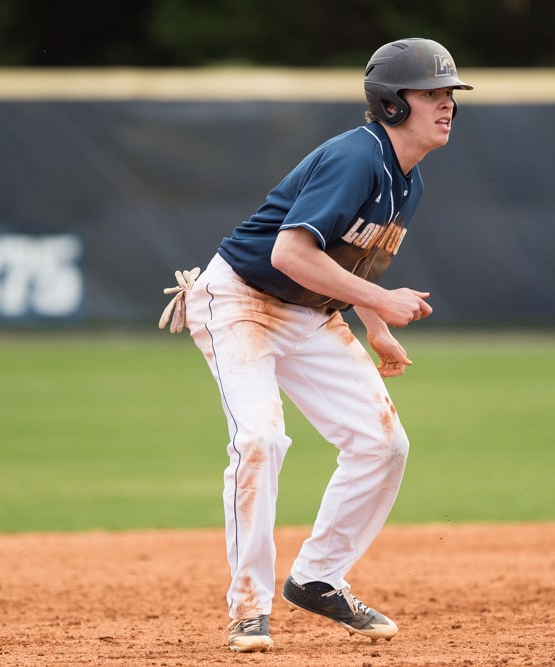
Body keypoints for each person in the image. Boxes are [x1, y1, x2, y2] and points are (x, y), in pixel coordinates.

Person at [158, 38, 473, 652]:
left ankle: (317, 577)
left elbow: (346, 260)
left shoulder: (408, 181)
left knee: (383, 444)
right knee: (259, 439)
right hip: (240, 299)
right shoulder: (357, 158)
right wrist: (382, 303)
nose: (446, 106)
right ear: (390, 103)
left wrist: (375, 326)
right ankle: (248, 608)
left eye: (450, 95)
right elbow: (289, 253)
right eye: (431, 93)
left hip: (309, 313)